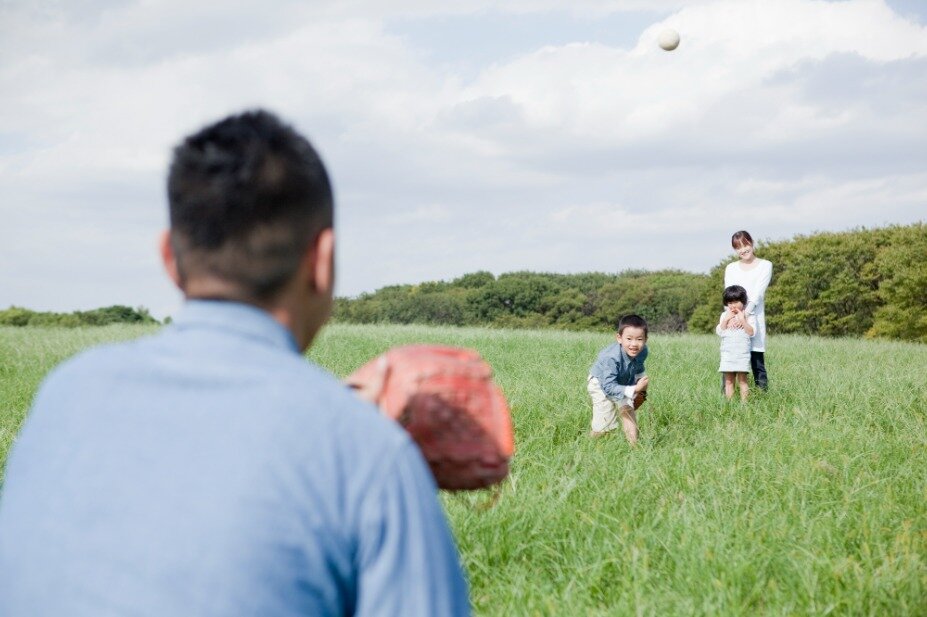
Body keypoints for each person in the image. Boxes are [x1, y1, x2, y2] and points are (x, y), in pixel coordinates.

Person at [0, 110, 470, 616]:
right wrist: (357, 434)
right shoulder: (371, 455)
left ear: (169, 258)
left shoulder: (66, 393)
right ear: (322, 259)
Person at [587, 314, 650, 444]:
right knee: (604, 428)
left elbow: (638, 367)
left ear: (645, 339)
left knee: (627, 410)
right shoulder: (611, 357)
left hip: (624, 380)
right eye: (629, 339)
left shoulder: (643, 351)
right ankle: (588, 444)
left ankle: (634, 448)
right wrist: (634, 389)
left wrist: (641, 390)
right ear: (619, 338)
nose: (634, 344)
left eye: (639, 339)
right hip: (601, 384)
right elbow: (608, 386)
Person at [723, 230, 772, 390]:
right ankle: (726, 399)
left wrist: (743, 315)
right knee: (730, 362)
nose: (743, 250)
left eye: (745, 244)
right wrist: (731, 317)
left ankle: (762, 396)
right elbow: (728, 294)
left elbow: (757, 294)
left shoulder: (765, 265)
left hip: (753, 318)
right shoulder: (731, 268)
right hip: (732, 320)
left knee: (757, 361)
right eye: (738, 247)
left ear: (752, 243)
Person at [716, 285, 757, 402]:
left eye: (736, 302)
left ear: (743, 301)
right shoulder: (724, 315)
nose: (733, 306)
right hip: (727, 353)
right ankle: (729, 405)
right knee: (728, 380)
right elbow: (719, 331)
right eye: (730, 303)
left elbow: (752, 332)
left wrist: (742, 320)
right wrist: (726, 320)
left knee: (743, 380)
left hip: (742, 353)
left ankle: (745, 405)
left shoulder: (749, 315)